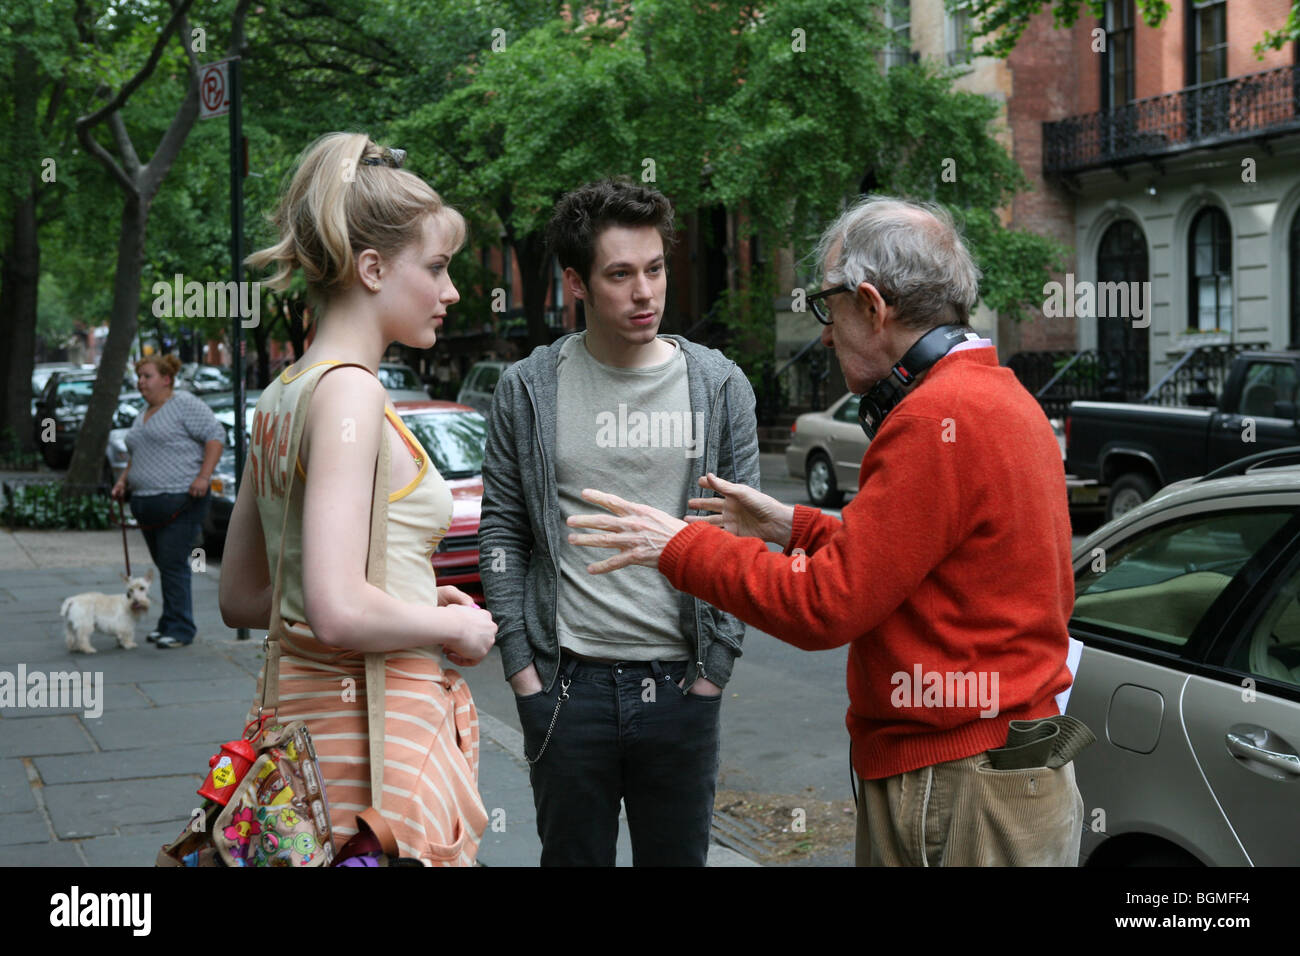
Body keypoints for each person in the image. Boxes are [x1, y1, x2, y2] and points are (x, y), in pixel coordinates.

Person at [566, 196, 1086, 867]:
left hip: (955, 782)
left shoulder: (936, 417)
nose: (825, 333)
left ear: (872, 306)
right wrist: (795, 525)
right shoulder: (999, 395)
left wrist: (678, 546)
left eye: (828, 308)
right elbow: (919, 559)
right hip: (1003, 765)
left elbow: (826, 606)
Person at [218, 133, 497, 866]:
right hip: (371, 756)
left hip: (294, 751)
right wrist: (447, 631)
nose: (452, 291)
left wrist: (405, 590)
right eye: (436, 268)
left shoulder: (286, 393)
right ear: (372, 268)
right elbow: (338, 609)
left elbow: (246, 596)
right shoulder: (353, 391)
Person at [478, 178, 761, 867]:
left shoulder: (719, 387)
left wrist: (712, 674)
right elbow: (503, 532)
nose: (645, 293)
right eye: (620, 274)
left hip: (681, 688)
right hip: (567, 689)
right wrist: (523, 672)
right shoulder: (528, 389)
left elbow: (742, 539)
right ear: (576, 282)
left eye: (656, 269)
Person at [110, 354, 223, 649]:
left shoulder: (184, 404)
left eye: (147, 376)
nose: (141, 382)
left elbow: (215, 436)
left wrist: (204, 476)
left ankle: (181, 628)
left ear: (167, 379)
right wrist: (123, 481)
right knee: (165, 564)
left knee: (173, 564)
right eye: (140, 377)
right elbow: (138, 456)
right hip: (146, 502)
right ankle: (168, 623)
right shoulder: (143, 412)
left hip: (181, 499)